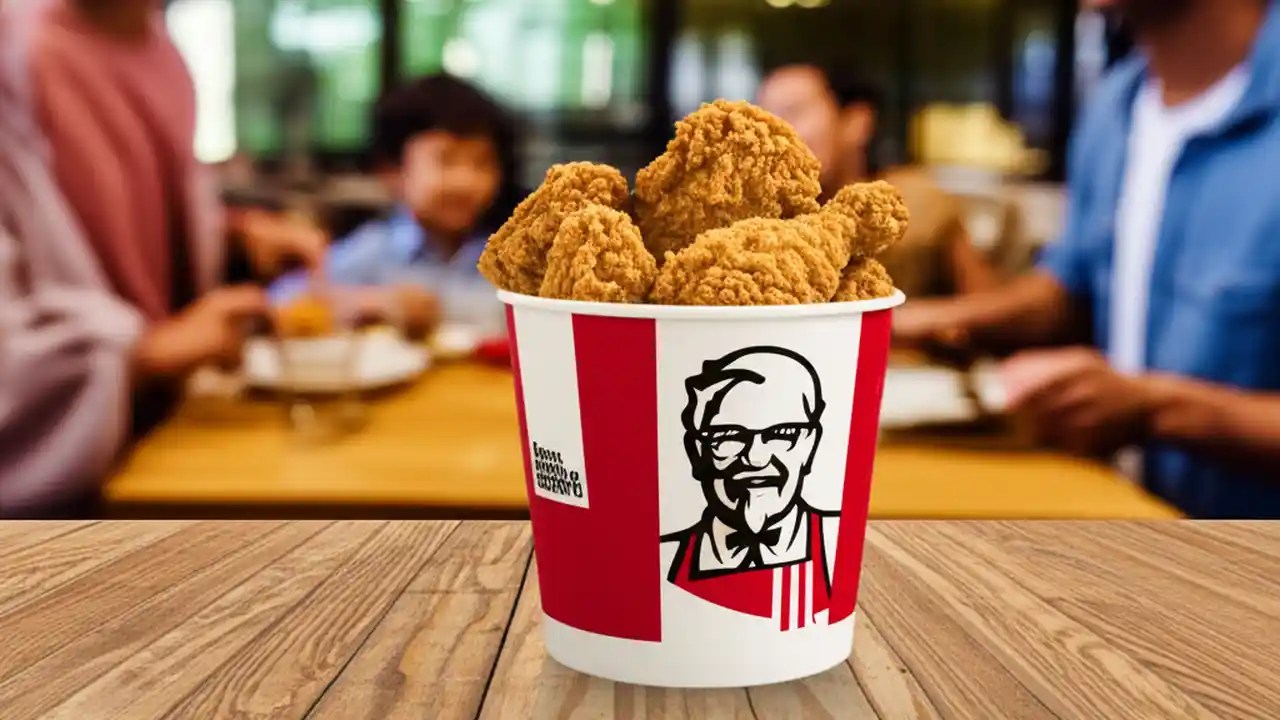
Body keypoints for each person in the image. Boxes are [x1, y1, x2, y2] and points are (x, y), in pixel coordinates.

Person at [895, 0, 1280, 519]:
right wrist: (915, 319)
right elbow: (1069, 290)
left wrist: (1158, 408)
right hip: (1129, 518)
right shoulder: (1116, 106)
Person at [0, 0, 322, 517]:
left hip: (165, 446)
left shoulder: (162, 53)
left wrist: (237, 240)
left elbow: (123, 223)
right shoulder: (16, 51)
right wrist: (145, 354)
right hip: (61, 506)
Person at [271, 74, 524, 336]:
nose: (465, 181)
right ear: (393, 172)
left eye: (482, 163)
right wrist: (369, 302)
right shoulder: (374, 248)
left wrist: (436, 309)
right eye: (446, 160)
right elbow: (282, 298)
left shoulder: (511, 253)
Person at [757, 65, 999, 298]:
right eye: (764, 117)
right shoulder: (761, 224)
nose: (773, 132)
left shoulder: (914, 202)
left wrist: (908, 319)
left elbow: (989, 302)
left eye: (793, 112)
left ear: (856, 121)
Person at [662, 348, 838, 631]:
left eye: (782, 434)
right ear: (696, 452)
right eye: (729, 436)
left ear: (810, 445)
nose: (756, 459)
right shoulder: (661, 557)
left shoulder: (837, 543)